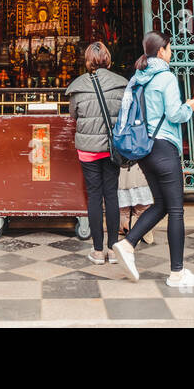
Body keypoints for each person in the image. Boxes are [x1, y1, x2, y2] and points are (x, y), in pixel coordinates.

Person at [112, 30, 194, 289]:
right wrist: (190, 108)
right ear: (161, 51)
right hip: (164, 147)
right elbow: (174, 114)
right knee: (176, 210)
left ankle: (127, 243)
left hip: (145, 151)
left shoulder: (137, 78)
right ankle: (177, 273)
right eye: (170, 48)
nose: (171, 52)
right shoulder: (165, 76)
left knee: (161, 204)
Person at [66, 41, 127, 264]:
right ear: (108, 59)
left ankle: (97, 250)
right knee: (111, 194)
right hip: (112, 149)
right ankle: (113, 250)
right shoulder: (121, 84)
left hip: (89, 150)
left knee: (94, 195)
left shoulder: (78, 86)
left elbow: (73, 115)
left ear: (88, 60)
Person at [118, 162, 155, 246]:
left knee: (123, 210)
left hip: (121, 167)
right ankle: (145, 227)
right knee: (143, 207)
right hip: (140, 167)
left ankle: (128, 227)